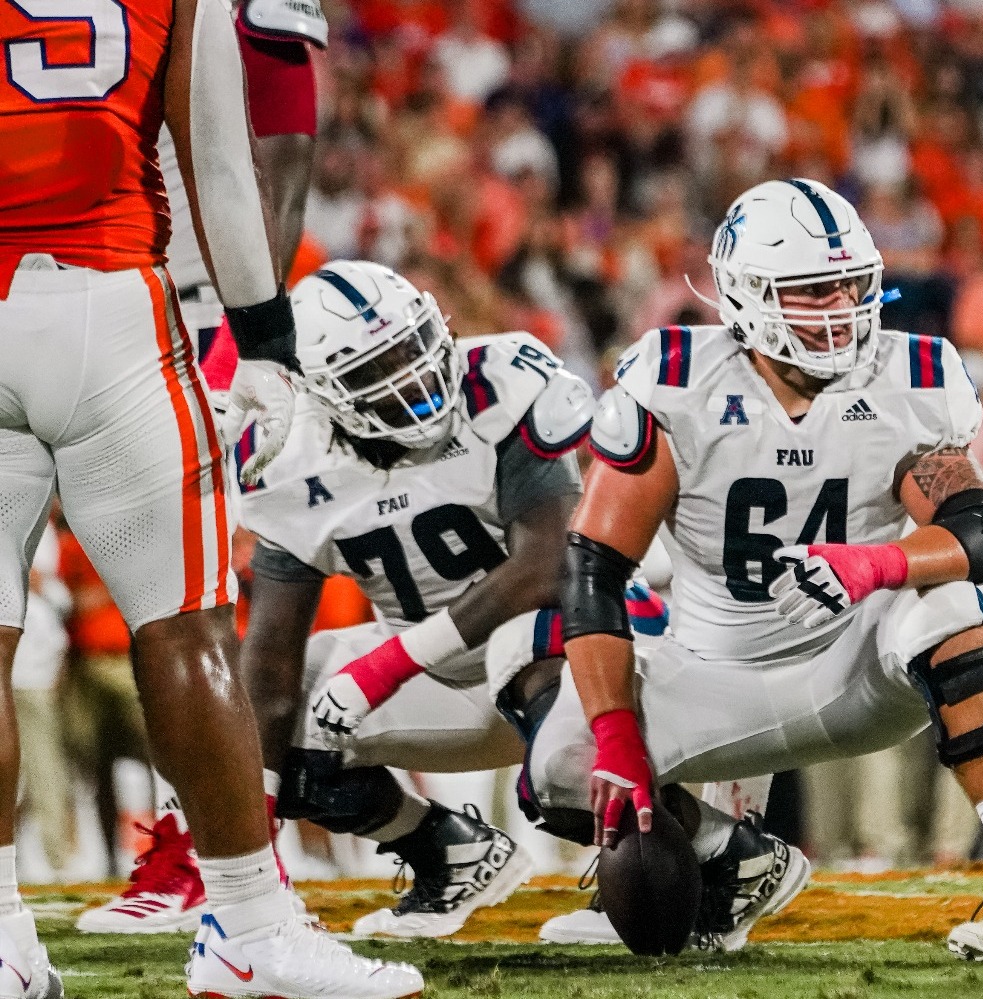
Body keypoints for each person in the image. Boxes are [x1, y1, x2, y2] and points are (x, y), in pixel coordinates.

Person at [510, 178, 983, 962]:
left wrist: (872, 562)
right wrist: (615, 734)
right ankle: (734, 860)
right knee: (559, 759)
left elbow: (979, 531)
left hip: (854, 665)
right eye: (812, 290)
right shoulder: (677, 379)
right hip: (709, 673)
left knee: (945, 598)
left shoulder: (905, 375)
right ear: (746, 296)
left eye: (850, 285)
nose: (840, 307)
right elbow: (592, 568)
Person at [0, 1, 420, 996]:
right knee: (188, 629)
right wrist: (266, 347)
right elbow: (223, 165)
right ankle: (249, 928)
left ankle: (3, 938)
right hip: (115, 312)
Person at [236, 261, 595, 938]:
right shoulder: (291, 457)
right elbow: (272, 658)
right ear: (321, 393)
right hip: (441, 684)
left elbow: (548, 567)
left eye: (413, 347)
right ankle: (450, 851)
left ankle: (718, 850)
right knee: (266, 728)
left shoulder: (502, 382)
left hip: (568, 656)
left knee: (565, 753)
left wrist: (385, 664)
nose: (414, 378)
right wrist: (255, 816)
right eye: (377, 369)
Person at [77, 0, 326, 936]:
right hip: (101, 299)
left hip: (192, 312)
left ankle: (216, 852)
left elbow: (278, 164)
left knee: (202, 596)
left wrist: (247, 340)